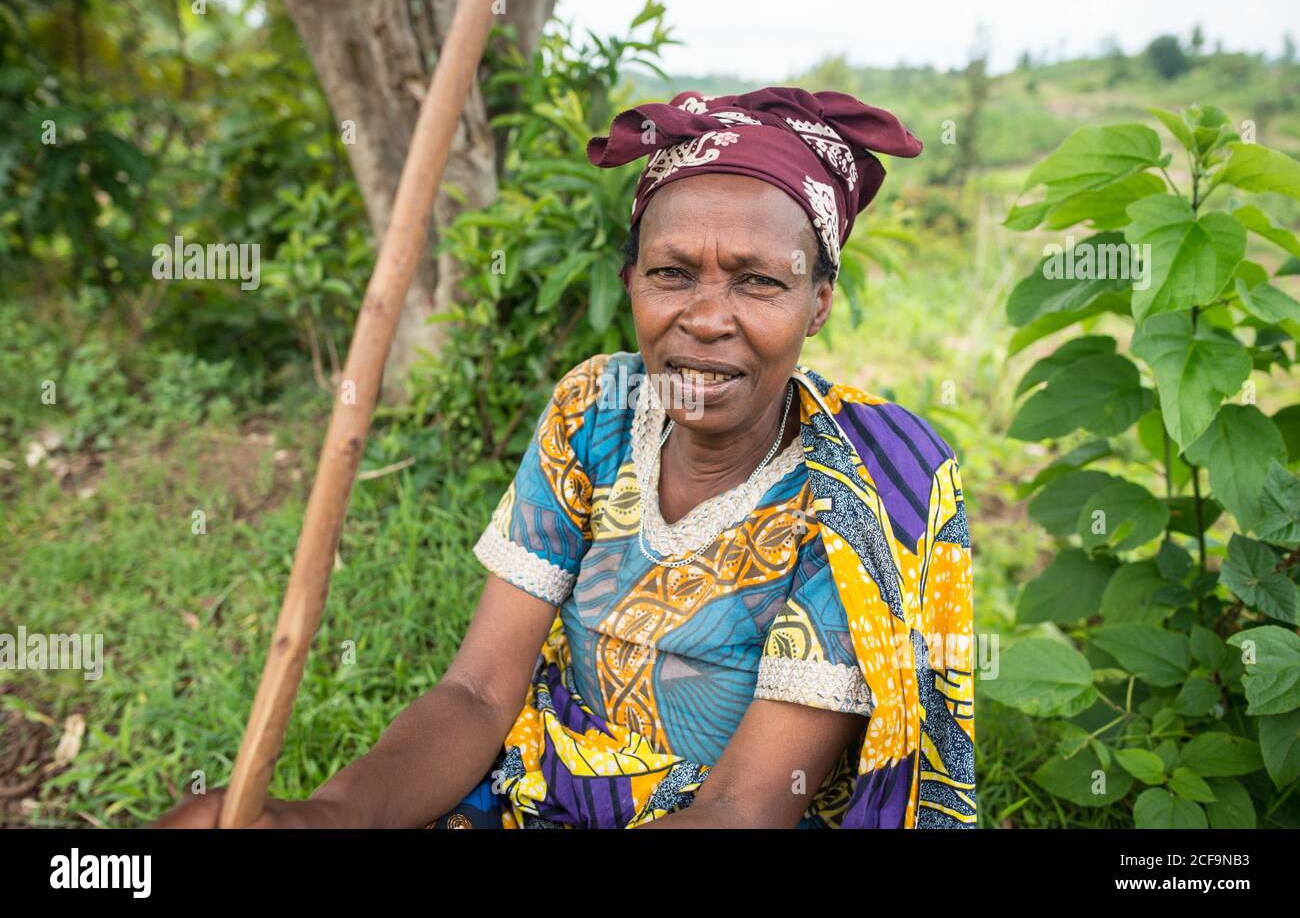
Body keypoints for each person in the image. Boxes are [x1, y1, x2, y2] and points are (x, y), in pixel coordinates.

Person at [154, 87, 976, 830]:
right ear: (631, 282)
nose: (705, 318)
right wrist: (323, 817)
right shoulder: (596, 409)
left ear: (818, 302)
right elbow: (478, 691)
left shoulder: (852, 499)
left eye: (758, 281)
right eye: (671, 272)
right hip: (546, 783)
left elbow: (743, 805)